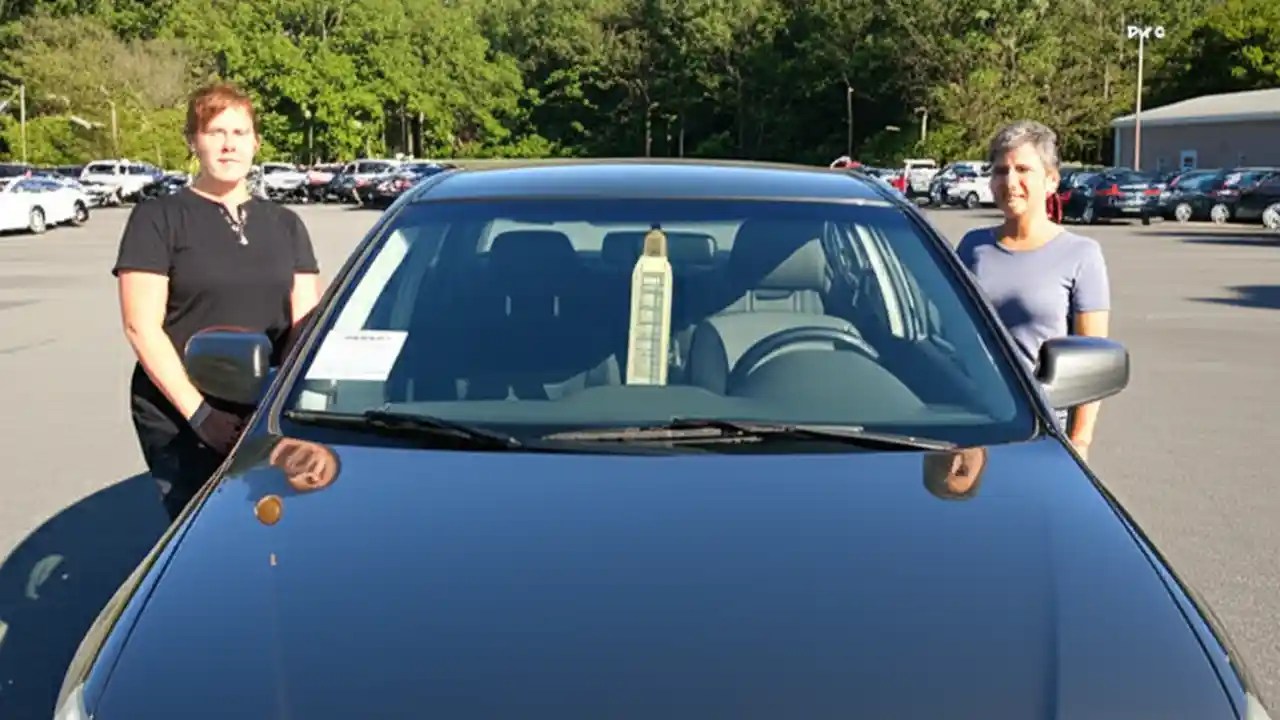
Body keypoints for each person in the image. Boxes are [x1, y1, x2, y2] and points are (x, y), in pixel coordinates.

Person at [112, 81, 321, 521]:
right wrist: (201, 415)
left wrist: (283, 410)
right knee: (204, 531)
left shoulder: (286, 224)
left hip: (267, 410)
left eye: (240, 133)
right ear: (193, 142)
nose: (229, 146)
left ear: (256, 142)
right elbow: (141, 326)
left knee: (277, 527)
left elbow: (304, 326)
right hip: (182, 414)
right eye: (216, 132)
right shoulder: (159, 218)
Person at [955, 120, 1111, 461]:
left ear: (1051, 180)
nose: (1010, 182)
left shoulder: (1081, 255)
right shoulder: (972, 247)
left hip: (1041, 433)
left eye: (1023, 169)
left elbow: (1093, 359)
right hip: (973, 428)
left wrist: (1079, 442)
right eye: (1000, 170)